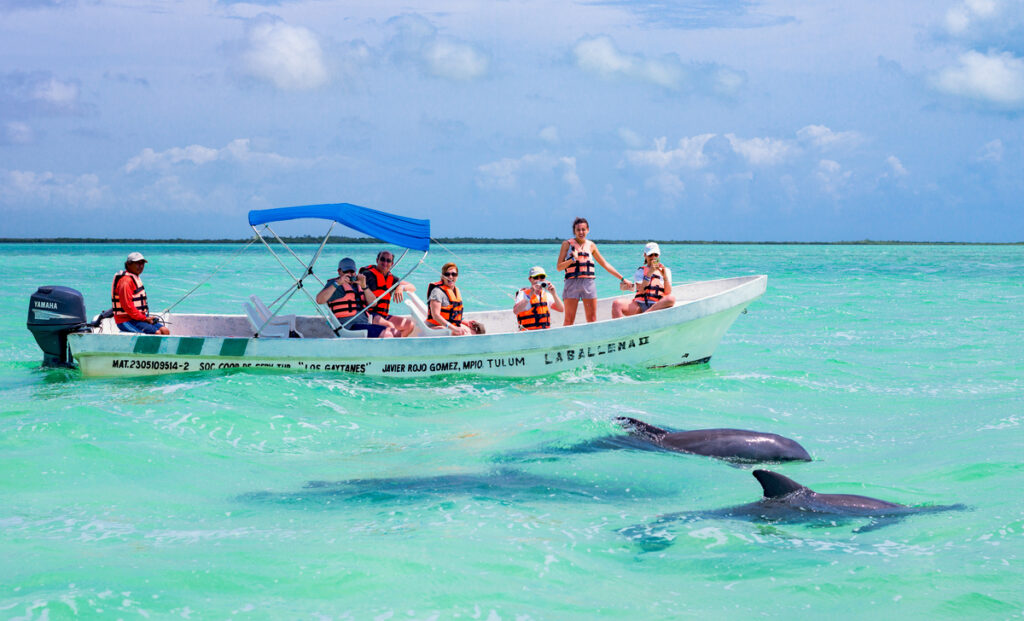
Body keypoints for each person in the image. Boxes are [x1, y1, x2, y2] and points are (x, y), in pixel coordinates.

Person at [556, 217, 628, 325]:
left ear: (588, 230)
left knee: (592, 319)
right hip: (572, 284)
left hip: (588, 283)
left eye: (583, 229)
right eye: (578, 230)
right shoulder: (567, 244)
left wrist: (622, 278)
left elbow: (605, 264)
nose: (581, 232)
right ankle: (567, 341)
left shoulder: (591, 246)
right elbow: (559, 267)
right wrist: (572, 260)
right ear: (574, 231)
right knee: (569, 320)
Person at [316, 258, 393, 337]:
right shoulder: (335, 284)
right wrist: (337, 283)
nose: (350, 274)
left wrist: (364, 286)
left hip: (365, 324)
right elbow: (319, 300)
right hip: (349, 326)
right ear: (339, 272)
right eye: (346, 272)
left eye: (352, 272)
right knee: (388, 334)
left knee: (394, 332)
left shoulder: (359, 284)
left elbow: (373, 303)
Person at [359, 250, 417, 337]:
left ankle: (394, 346)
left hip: (384, 315)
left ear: (392, 263)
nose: (385, 262)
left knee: (409, 325)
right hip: (369, 315)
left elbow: (412, 287)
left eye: (388, 260)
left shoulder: (392, 279)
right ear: (377, 260)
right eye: (382, 259)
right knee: (390, 326)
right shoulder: (367, 275)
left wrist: (400, 287)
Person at [611, 242, 676, 318]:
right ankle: (618, 328)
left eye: (656, 255)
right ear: (645, 255)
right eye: (650, 255)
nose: (653, 257)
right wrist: (649, 273)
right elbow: (641, 290)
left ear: (659, 255)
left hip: (657, 305)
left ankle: (645, 315)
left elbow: (667, 292)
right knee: (616, 303)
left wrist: (664, 276)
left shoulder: (666, 270)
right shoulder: (640, 271)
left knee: (671, 298)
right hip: (640, 306)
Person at [112, 251, 170, 335]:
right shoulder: (125, 282)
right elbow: (127, 306)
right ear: (128, 264)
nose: (141, 266)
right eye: (137, 263)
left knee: (165, 331)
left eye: (142, 263)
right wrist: (145, 319)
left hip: (138, 318)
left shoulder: (134, 278)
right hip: (125, 320)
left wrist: (144, 318)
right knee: (157, 333)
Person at [426, 262, 472, 336]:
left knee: (476, 329)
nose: (450, 277)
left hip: (449, 325)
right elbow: (436, 316)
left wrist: (465, 322)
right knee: (460, 333)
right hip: (434, 326)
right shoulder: (437, 292)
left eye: (454, 274)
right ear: (442, 276)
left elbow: (454, 313)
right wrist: (453, 328)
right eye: (447, 274)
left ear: (457, 276)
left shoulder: (456, 291)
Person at [513, 266, 564, 330]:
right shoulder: (523, 294)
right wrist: (530, 294)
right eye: (536, 277)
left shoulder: (546, 295)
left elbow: (561, 309)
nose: (539, 280)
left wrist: (554, 294)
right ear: (530, 279)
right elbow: (516, 311)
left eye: (542, 277)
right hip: (527, 333)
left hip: (544, 332)